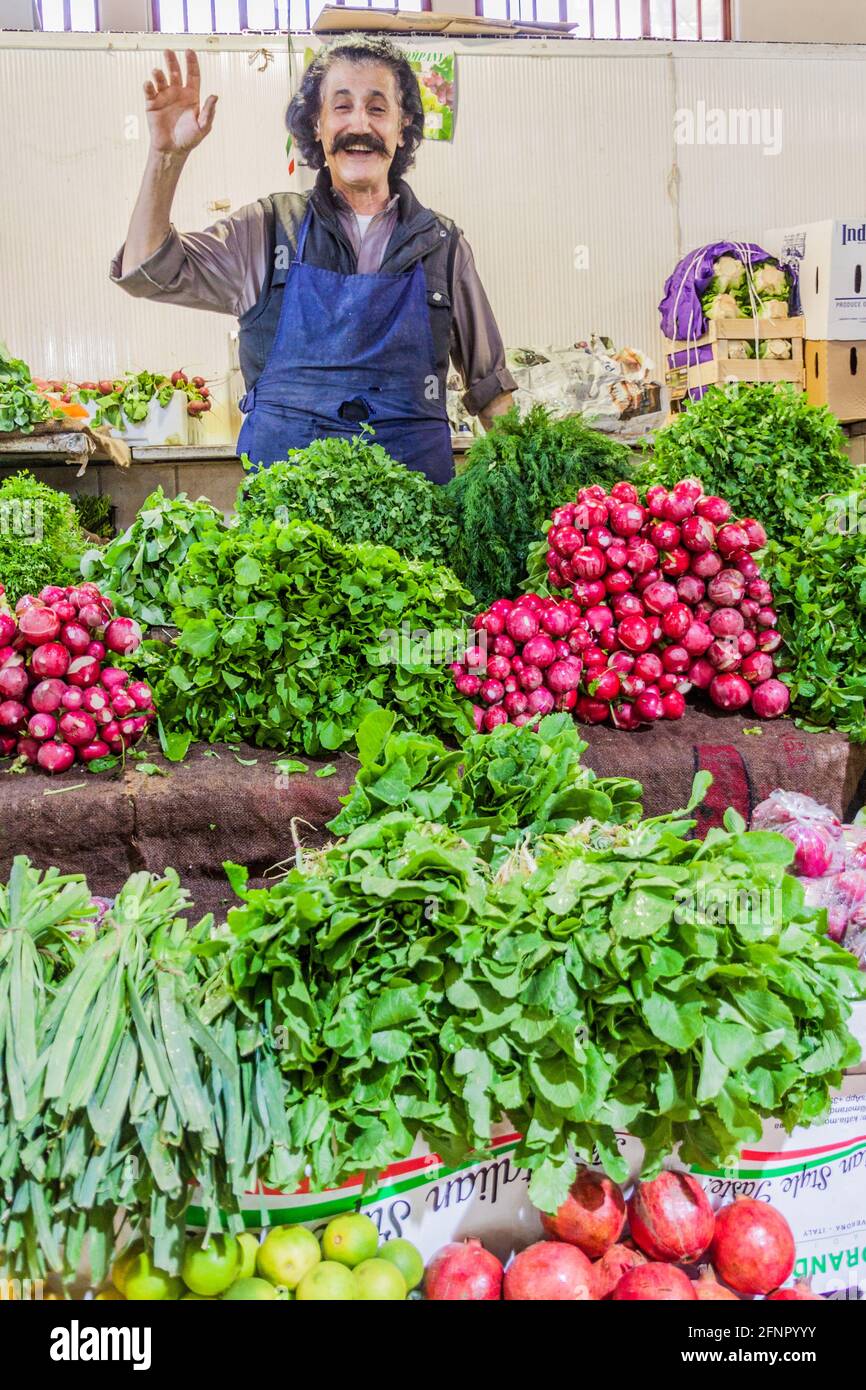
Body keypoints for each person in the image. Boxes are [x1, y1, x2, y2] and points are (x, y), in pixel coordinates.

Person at [111, 38, 516, 482]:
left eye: (377, 109)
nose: (359, 124)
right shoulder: (267, 230)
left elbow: (491, 391)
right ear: (317, 125)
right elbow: (147, 269)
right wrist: (166, 158)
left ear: (403, 129)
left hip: (415, 532)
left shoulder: (443, 244)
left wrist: (528, 484)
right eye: (341, 107)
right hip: (286, 538)